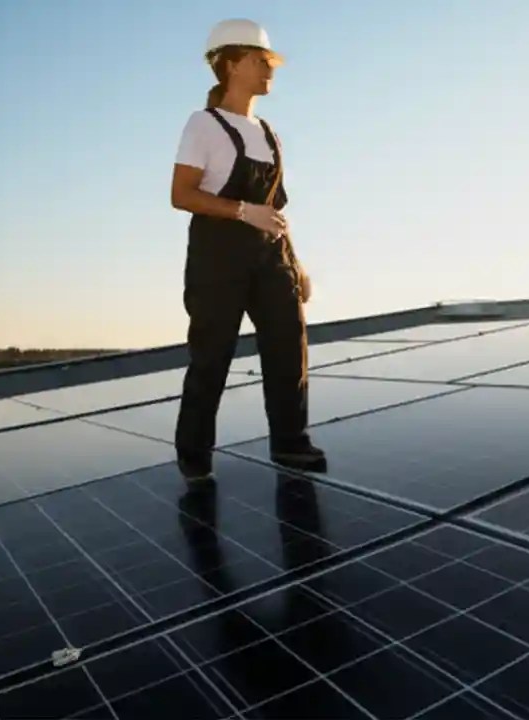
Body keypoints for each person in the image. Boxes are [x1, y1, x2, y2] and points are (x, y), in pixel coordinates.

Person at [170, 18, 325, 481]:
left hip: (271, 256)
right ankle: (194, 454)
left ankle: (291, 444)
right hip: (218, 260)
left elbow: (275, 208)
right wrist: (242, 211)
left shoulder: (269, 133)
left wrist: (296, 264)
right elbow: (182, 194)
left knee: (288, 348)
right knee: (211, 356)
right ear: (233, 64)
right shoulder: (203, 125)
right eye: (262, 61)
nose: (270, 69)